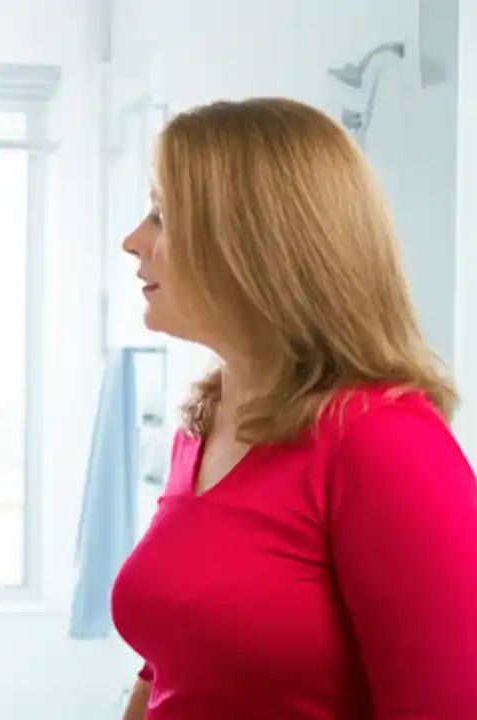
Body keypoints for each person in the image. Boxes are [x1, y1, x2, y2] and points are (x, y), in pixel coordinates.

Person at [112, 97, 477, 719]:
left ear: (252, 243)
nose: (133, 241)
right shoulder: (205, 426)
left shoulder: (385, 442)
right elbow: (168, 670)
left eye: (163, 215)